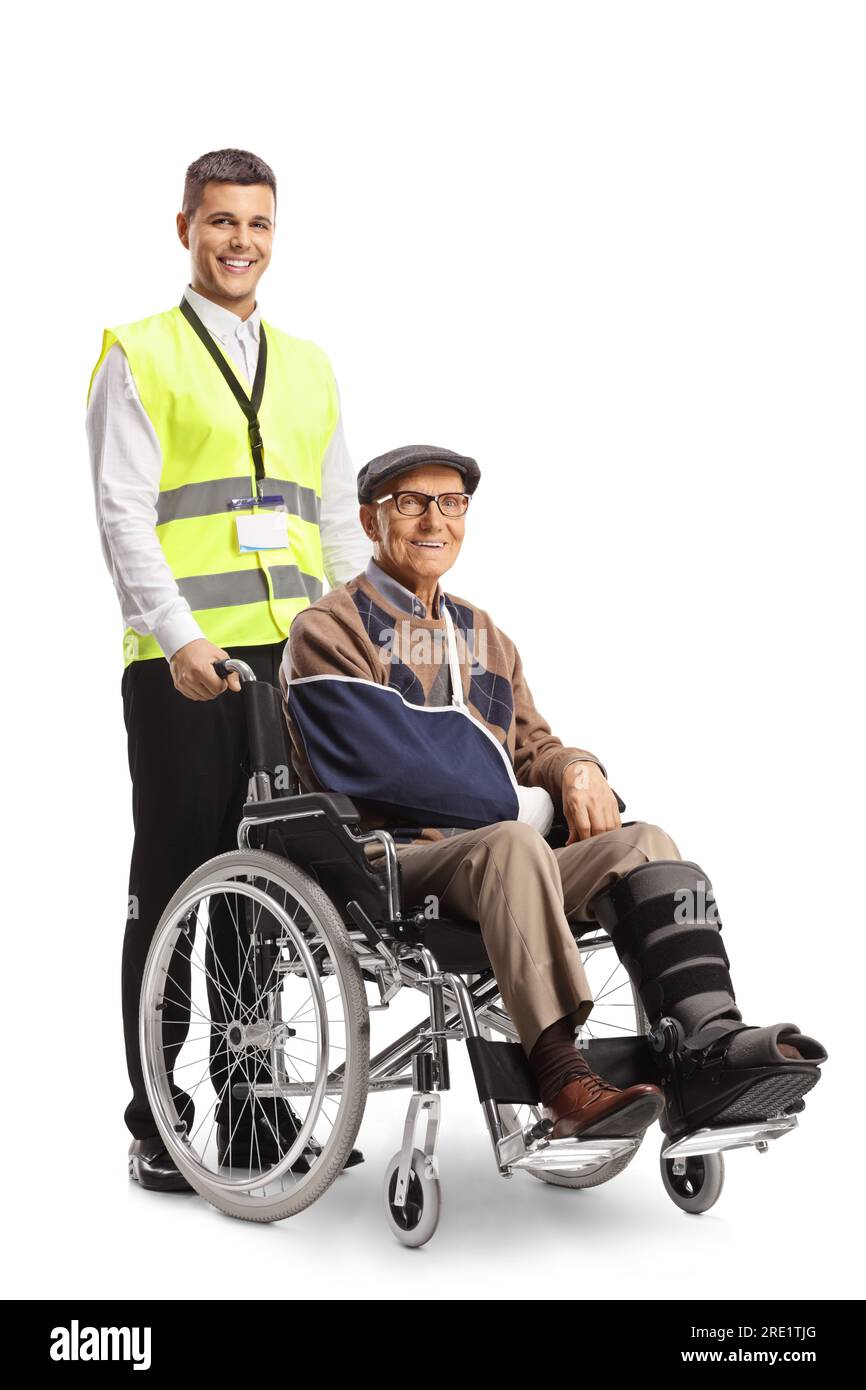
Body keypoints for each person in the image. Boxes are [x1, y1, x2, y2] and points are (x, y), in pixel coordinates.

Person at [280, 444, 827, 1141]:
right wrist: (512, 803)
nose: (434, 520)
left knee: (646, 844)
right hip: (392, 860)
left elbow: (530, 745)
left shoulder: (485, 637)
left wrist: (574, 770)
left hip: (506, 861)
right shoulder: (328, 628)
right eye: (411, 503)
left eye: (452, 503)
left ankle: (704, 1046)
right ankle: (560, 1073)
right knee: (512, 840)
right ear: (368, 520)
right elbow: (377, 763)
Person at [86, 148, 370, 1191]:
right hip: (183, 664)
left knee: (272, 893)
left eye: (255, 223)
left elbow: (337, 523)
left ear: (272, 233)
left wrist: (363, 639)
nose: (238, 241)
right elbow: (124, 511)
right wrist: (176, 636)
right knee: (174, 888)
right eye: (219, 222)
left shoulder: (308, 365)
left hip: (294, 666)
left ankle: (258, 1126)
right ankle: (157, 1123)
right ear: (184, 230)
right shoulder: (139, 353)